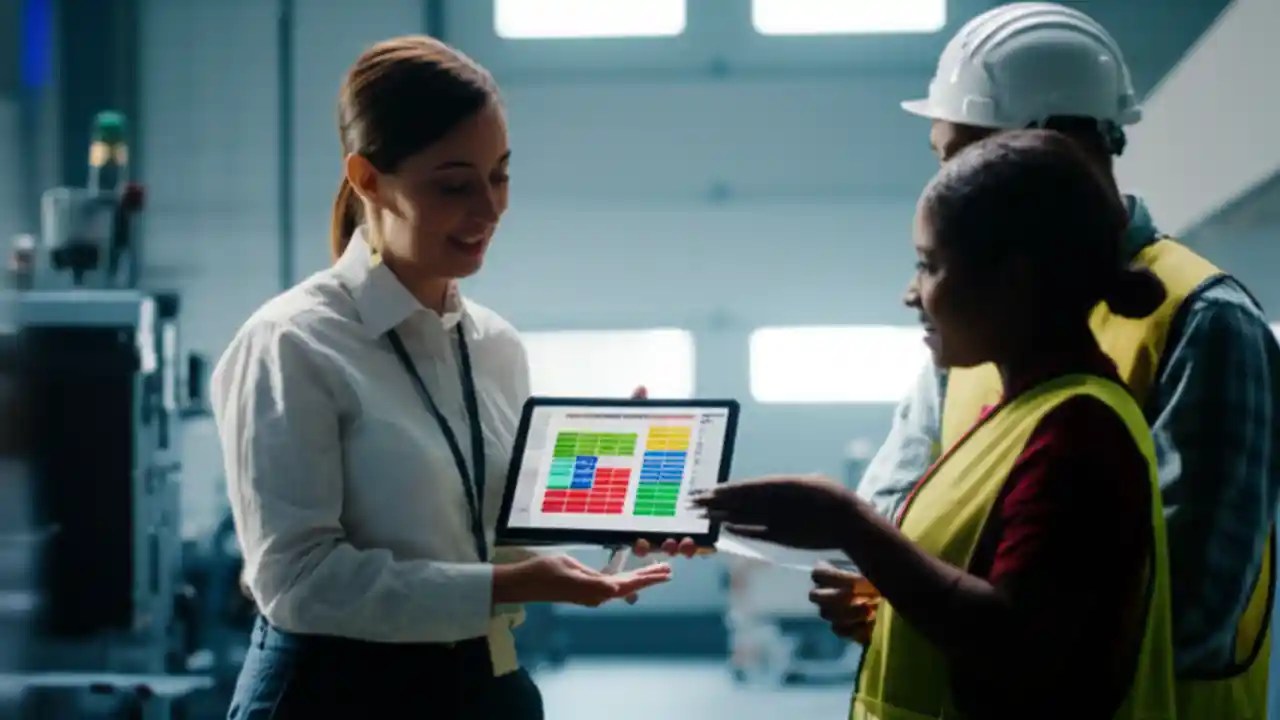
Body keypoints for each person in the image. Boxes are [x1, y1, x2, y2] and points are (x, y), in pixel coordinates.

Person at [812, 4, 1280, 717]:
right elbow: (898, 514)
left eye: (961, 159)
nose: (941, 189)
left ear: (1042, 155)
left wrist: (946, 604)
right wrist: (890, 588)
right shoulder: (977, 324)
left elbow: (1187, 611)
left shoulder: (1205, 321)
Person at [210, 35, 671, 719]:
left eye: (501, 175)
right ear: (368, 179)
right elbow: (299, 583)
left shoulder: (494, 345)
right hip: (335, 696)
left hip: (479, 684)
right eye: (455, 185)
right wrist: (505, 585)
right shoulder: (293, 344)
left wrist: (617, 506)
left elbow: (487, 533)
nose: (489, 209)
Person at [697, 128, 1176, 719]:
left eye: (929, 266)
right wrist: (890, 605)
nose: (910, 293)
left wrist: (852, 525)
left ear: (1014, 278)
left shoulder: (1076, 432)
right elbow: (997, 596)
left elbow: (1023, 647)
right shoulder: (1019, 415)